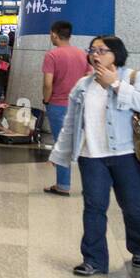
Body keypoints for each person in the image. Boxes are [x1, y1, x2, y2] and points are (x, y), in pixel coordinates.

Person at [49, 36, 140, 277]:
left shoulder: (135, 78)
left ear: (116, 53)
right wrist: (60, 152)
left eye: (102, 50)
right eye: (92, 50)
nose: (95, 55)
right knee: (94, 206)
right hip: (92, 156)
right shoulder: (83, 85)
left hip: (127, 155)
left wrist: (116, 84)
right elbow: (72, 123)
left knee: (131, 206)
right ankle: (94, 259)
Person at [41, 20, 89, 197]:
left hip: (58, 106)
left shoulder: (52, 55)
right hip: (79, 106)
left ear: (54, 34)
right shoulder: (82, 54)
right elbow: (89, 78)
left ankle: (63, 184)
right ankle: (90, 186)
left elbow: (48, 83)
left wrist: (46, 100)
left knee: (61, 144)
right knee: (83, 144)